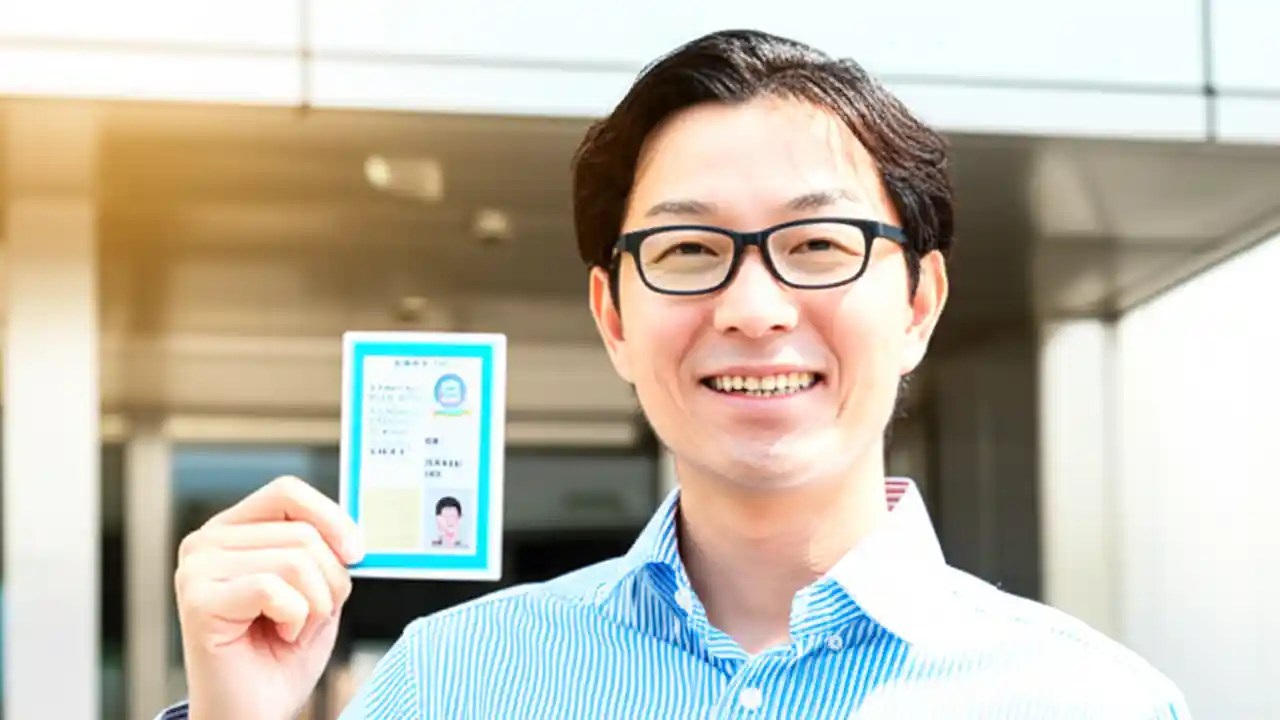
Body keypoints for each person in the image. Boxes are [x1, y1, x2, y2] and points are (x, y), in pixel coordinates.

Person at [161, 29, 1191, 720]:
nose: (751, 306)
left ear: (917, 300)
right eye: (688, 251)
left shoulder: (1092, 700)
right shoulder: (451, 680)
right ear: (612, 315)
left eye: (818, 244)